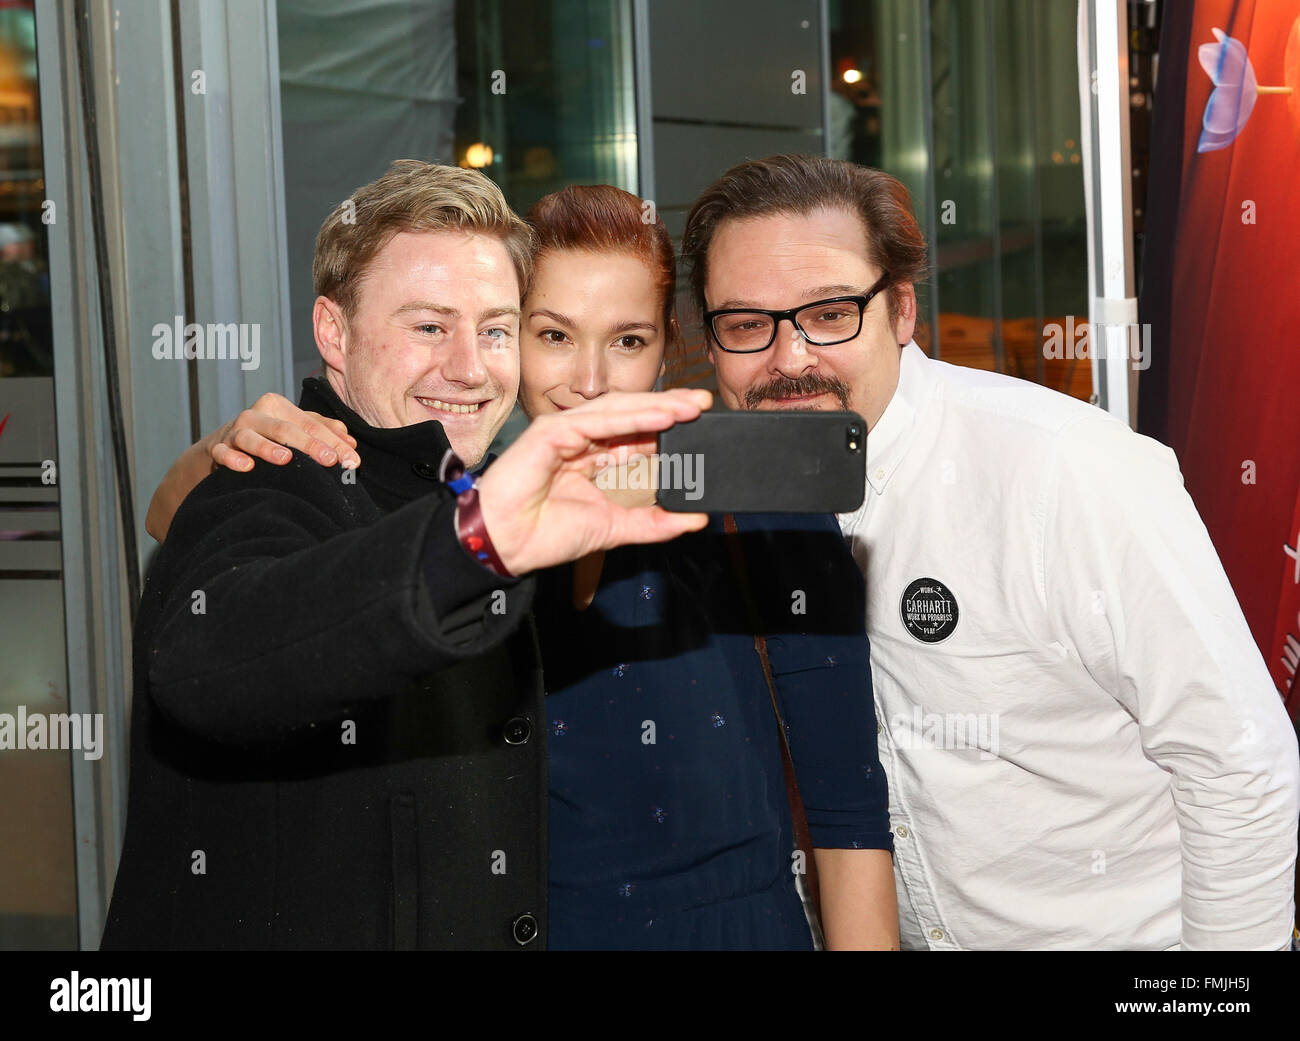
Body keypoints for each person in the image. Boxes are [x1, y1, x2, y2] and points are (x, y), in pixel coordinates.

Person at [144, 182, 898, 950]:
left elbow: (848, 812)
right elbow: (225, 595)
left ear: (669, 346)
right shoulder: (459, 513)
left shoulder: (756, 502)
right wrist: (236, 448)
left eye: (629, 340)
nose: (590, 381)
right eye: (553, 336)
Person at [680, 153, 1300, 950]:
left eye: (831, 312)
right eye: (745, 325)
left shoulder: (1063, 468)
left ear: (901, 311)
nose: (789, 357)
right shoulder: (728, 502)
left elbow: (1238, 760)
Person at [101, 160, 713, 950]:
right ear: (334, 331)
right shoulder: (263, 486)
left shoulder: (471, 493)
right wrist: (471, 544)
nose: (469, 367)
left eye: (496, 329)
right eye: (429, 326)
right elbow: (211, 660)